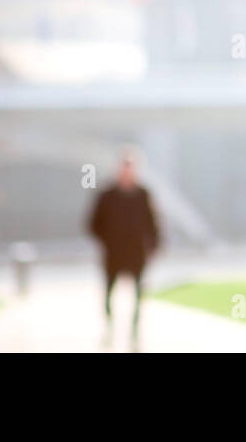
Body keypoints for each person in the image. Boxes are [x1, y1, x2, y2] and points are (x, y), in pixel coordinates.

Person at [87, 148, 160, 348]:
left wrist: (153, 246)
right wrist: (107, 240)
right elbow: (93, 224)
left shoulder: (143, 194)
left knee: (138, 294)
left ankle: (134, 332)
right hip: (113, 253)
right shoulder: (106, 195)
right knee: (109, 293)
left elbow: (153, 224)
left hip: (136, 253)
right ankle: (109, 328)